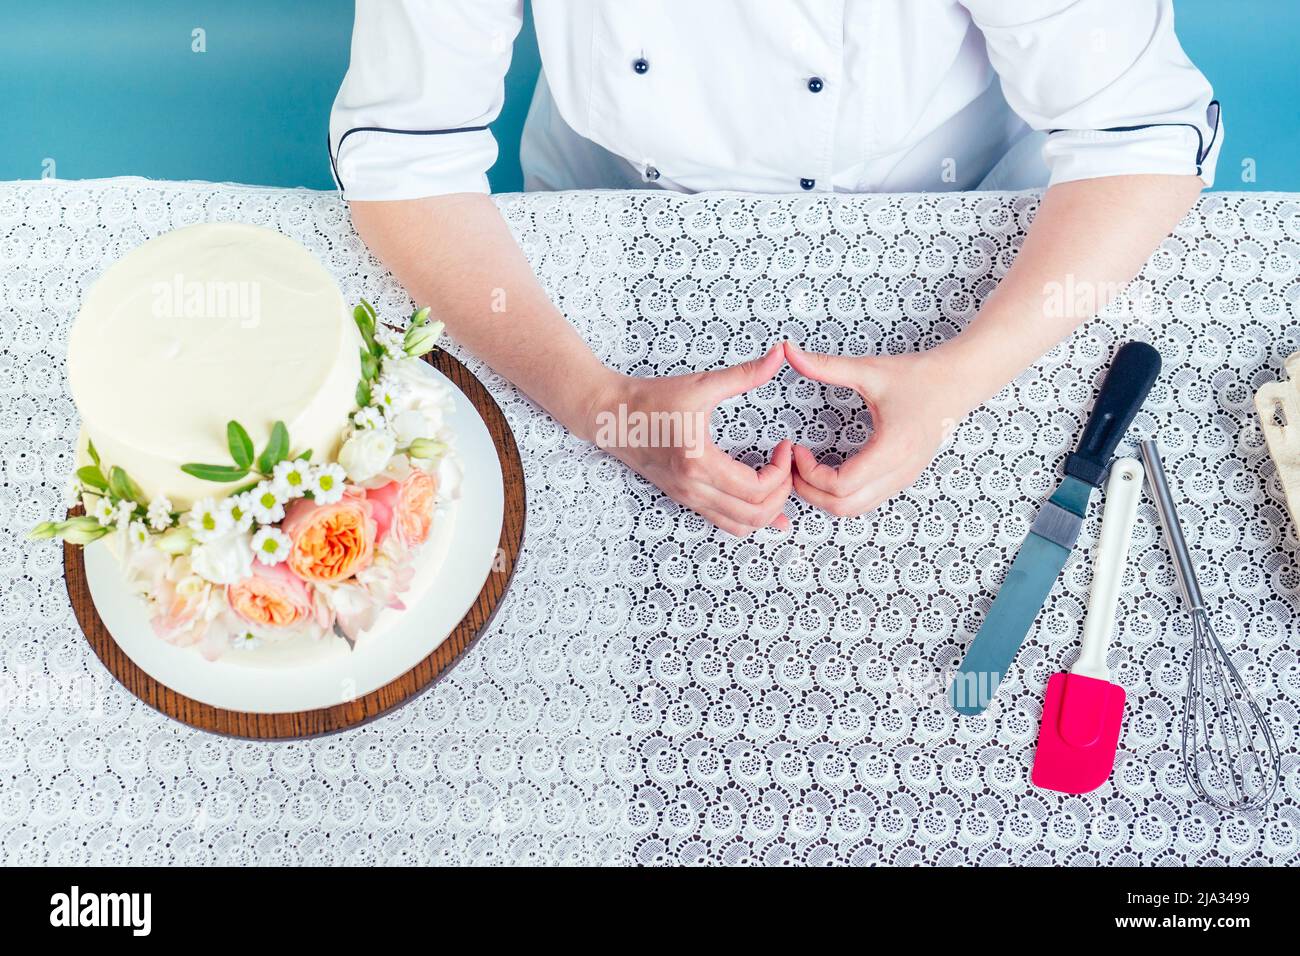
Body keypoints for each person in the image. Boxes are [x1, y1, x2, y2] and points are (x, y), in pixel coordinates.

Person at [330, 0, 1221, 536]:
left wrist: (956, 382)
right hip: (612, 222)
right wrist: (603, 405)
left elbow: (1139, 135)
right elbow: (406, 151)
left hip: (953, 223)